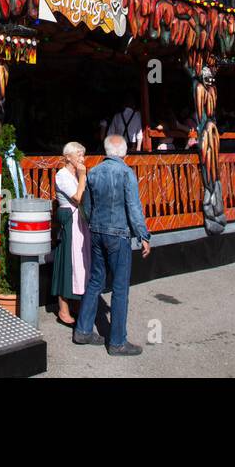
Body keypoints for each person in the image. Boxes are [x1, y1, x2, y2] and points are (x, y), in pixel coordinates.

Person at [73, 134, 152, 356]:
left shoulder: (94, 171)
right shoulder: (126, 173)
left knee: (95, 281)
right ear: (124, 152)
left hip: (97, 232)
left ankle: (83, 331)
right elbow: (133, 206)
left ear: (107, 151)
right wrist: (143, 235)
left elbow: (86, 206)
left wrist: (93, 225)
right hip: (118, 235)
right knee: (119, 287)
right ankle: (117, 342)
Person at [51, 142, 91, 326]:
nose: (82, 159)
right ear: (68, 157)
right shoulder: (62, 175)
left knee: (79, 263)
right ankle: (63, 309)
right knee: (67, 263)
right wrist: (83, 175)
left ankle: (75, 303)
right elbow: (78, 197)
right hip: (69, 222)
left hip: (79, 222)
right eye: (79, 155)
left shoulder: (74, 176)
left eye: (83, 155)